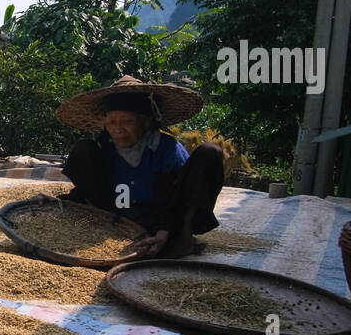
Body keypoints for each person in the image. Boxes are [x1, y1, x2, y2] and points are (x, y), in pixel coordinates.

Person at [54, 76, 224, 259]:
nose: (118, 129)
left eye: (127, 121)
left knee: (210, 152)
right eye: (111, 122)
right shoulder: (108, 149)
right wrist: (58, 202)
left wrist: (163, 231)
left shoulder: (166, 149)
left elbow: (177, 196)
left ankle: (183, 239)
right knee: (83, 149)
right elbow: (92, 185)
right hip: (121, 217)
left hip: (166, 219)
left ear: (145, 122)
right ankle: (112, 228)